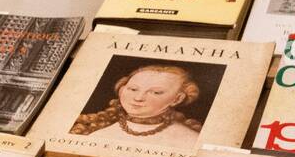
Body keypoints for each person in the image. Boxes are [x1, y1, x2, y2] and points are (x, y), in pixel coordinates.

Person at [70, 64, 204, 151]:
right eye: (133, 89)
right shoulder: (98, 130)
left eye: (156, 92)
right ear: (122, 90)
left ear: (177, 99)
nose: (138, 98)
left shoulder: (190, 140)